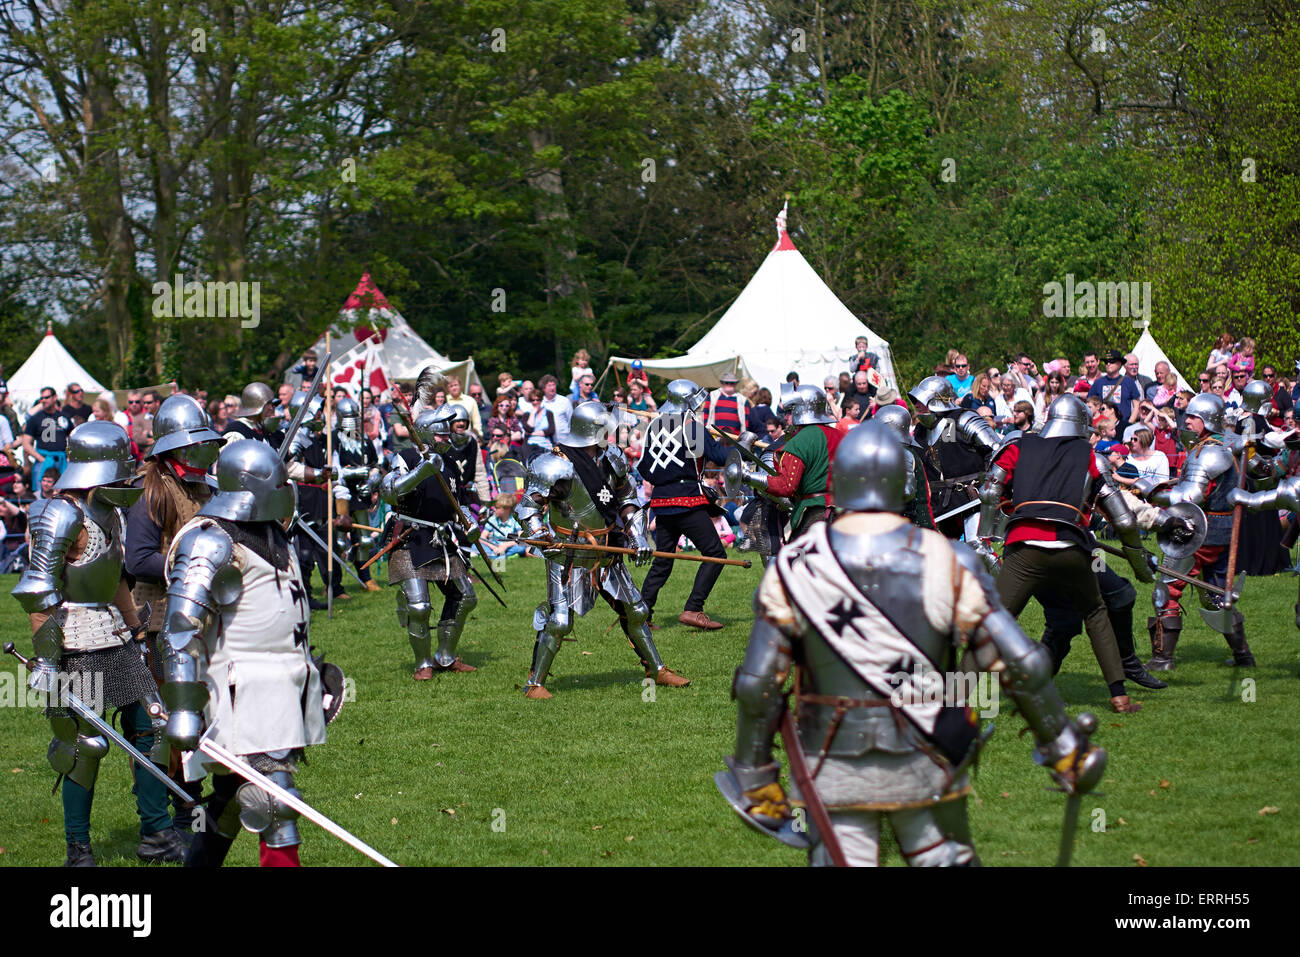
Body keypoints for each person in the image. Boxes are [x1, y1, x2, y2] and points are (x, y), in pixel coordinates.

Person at [722, 421, 1105, 866]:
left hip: (830, 757)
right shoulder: (948, 557)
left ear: (839, 479)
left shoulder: (795, 564)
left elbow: (760, 684)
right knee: (941, 855)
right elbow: (1019, 662)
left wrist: (755, 775)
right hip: (927, 746)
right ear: (902, 482)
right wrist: (1063, 748)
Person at [12, 421, 182, 866]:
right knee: (84, 746)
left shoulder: (114, 513)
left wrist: (136, 628)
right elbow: (38, 594)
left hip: (116, 638)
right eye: (118, 473)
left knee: (154, 727)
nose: (126, 483)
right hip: (74, 642)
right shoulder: (61, 514)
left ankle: (157, 834)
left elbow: (116, 581)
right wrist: (48, 662)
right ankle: (78, 848)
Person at [156, 439, 328, 868]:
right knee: (275, 802)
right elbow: (180, 630)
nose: (288, 489)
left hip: (282, 685)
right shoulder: (210, 540)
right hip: (239, 691)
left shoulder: (271, 531)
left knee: (235, 798)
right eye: (282, 482)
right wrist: (183, 710)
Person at [978, 394, 1156, 712]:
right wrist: (1139, 562)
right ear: (1082, 426)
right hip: (1072, 548)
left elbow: (990, 491)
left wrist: (990, 533)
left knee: (993, 620)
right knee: (1095, 613)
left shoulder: (1019, 446)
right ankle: (1119, 696)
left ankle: (946, 696)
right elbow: (1125, 520)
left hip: (1025, 547)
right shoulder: (1091, 456)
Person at [514, 401, 690, 698]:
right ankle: (535, 683)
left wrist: (639, 538)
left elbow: (627, 500)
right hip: (568, 553)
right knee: (559, 622)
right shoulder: (553, 463)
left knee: (636, 609)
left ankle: (656, 669)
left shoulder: (613, 458)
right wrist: (540, 533)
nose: (611, 432)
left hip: (608, 550)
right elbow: (529, 507)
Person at [124, 394, 221, 839]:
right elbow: (138, 558)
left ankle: (192, 811)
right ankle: (165, 821)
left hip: (204, 621)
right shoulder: (151, 493)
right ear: (172, 449)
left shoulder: (206, 487)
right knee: (166, 726)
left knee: (199, 719)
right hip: (160, 623)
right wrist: (188, 564)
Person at [1137, 393, 1256, 670]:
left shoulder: (1210, 451)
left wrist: (1151, 491)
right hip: (1223, 530)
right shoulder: (1223, 444)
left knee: (1166, 589)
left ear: (1207, 421)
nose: (1186, 421)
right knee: (1215, 594)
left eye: (1193, 417)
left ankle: (1162, 659)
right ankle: (1243, 656)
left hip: (1200, 531)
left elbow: (1191, 495)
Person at [379, 409, 479, 677]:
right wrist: (423, 470)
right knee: (419, 606)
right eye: (440, 431)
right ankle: (422, 663)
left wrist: (469, 522)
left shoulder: (450, 460)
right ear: (424, 431)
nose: (446, 435)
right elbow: (390, 492)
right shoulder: (406, 457)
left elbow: (458, 501)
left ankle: (445, 657)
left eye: (448, 431)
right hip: (411, 537)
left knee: (466, 597)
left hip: (443, 539)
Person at [638, 379, 731, 631]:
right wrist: (742, 445)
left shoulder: (653, 428)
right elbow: (720, 458)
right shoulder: (693, 427)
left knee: (663, 561)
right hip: (687, 500)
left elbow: (644, 467)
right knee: (715, 554)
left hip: (662, 501)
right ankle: (693, 608)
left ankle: (642, 615)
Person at [737, 385, 843, 539]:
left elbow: (786, 486)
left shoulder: (798, 441)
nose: (785, 417)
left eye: (789, 411)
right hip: (843, 512)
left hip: (814, 514)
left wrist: (748, 476)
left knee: (797, 561)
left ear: (802, 409)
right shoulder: (842, 436)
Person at [908, 376, 1000, 540]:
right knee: (943, 554)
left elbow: (996, 452)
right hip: (939, 504)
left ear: (935, 400)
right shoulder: (920, 431)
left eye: (921, 400)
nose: (916, 404)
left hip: (972, 499)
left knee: (978, 550)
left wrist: (990, 487)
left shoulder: (964, 419)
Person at [332, 396, 383, 592]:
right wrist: (354, 473)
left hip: (361, 494)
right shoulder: (333, 439)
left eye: (354, 416)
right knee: (337, 540)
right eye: (348, 417)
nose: (351, 421)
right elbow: (332, 469)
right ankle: (334, 584)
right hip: (339, 495)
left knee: (365, 539)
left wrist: (370, 482)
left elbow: (376, 467)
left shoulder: (364, 440)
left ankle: (365, 578)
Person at [23, 386, 75, 485]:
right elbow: (26, 443)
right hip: (44, 461)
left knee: (63, 492)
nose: (43, 400)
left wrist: (69, 457)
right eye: (42, 398)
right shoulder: (35, 419)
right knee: (40, 493)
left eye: (46, 397)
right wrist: (40, 458)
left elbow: (73, 438)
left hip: (62, 461)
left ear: (54, 398)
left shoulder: (64, 417)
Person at [1089, 349, 1142, 424]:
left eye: (1112, 361)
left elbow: (1136, 405)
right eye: (1106, 362)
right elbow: (1090, 404)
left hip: (1123, 425)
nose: (1108, 364)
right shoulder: (1098, 383)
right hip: (1103, 426)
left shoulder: (1128, 382)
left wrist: (1129, 424)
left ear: (1119, 363)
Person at [483, 493, 527, 559]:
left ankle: (493, 556)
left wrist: (505, 546)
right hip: (495, 546)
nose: (494, 510)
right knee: (477, 546)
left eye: (497, 508)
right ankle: (508, 556)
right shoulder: (493, 519)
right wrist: (493, 546)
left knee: (521, 548)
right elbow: (482, 537)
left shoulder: (515, 520)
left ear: (507, 509)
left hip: (510, 546)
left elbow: (521, 538)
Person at [704, 372, 749, 437]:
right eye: (727, 383)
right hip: (715, 435)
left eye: (732, 383)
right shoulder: (713, 395)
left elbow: (746, 421)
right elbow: (705, 414)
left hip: (735, 437)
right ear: (722, 383)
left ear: (735, 384)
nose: (729, 384)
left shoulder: (742, 399)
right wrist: (706, 429)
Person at [444, 374, 483, 439]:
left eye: (456, 385)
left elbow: (477, 422)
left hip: (467, 437)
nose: (454, 388)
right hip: (449, 439)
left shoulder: (470, 400)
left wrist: (478, 436)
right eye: (451, 386)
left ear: (460, 385)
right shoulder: (444, 401)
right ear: (447, 388)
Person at [538, 374, 573, 441]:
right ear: (543, 388)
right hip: (547, 442)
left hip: (564, 440)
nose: (552, 388)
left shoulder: (564, 401)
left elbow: (571, 421)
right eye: (549, 385)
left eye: (553, 385)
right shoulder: (540, 403)